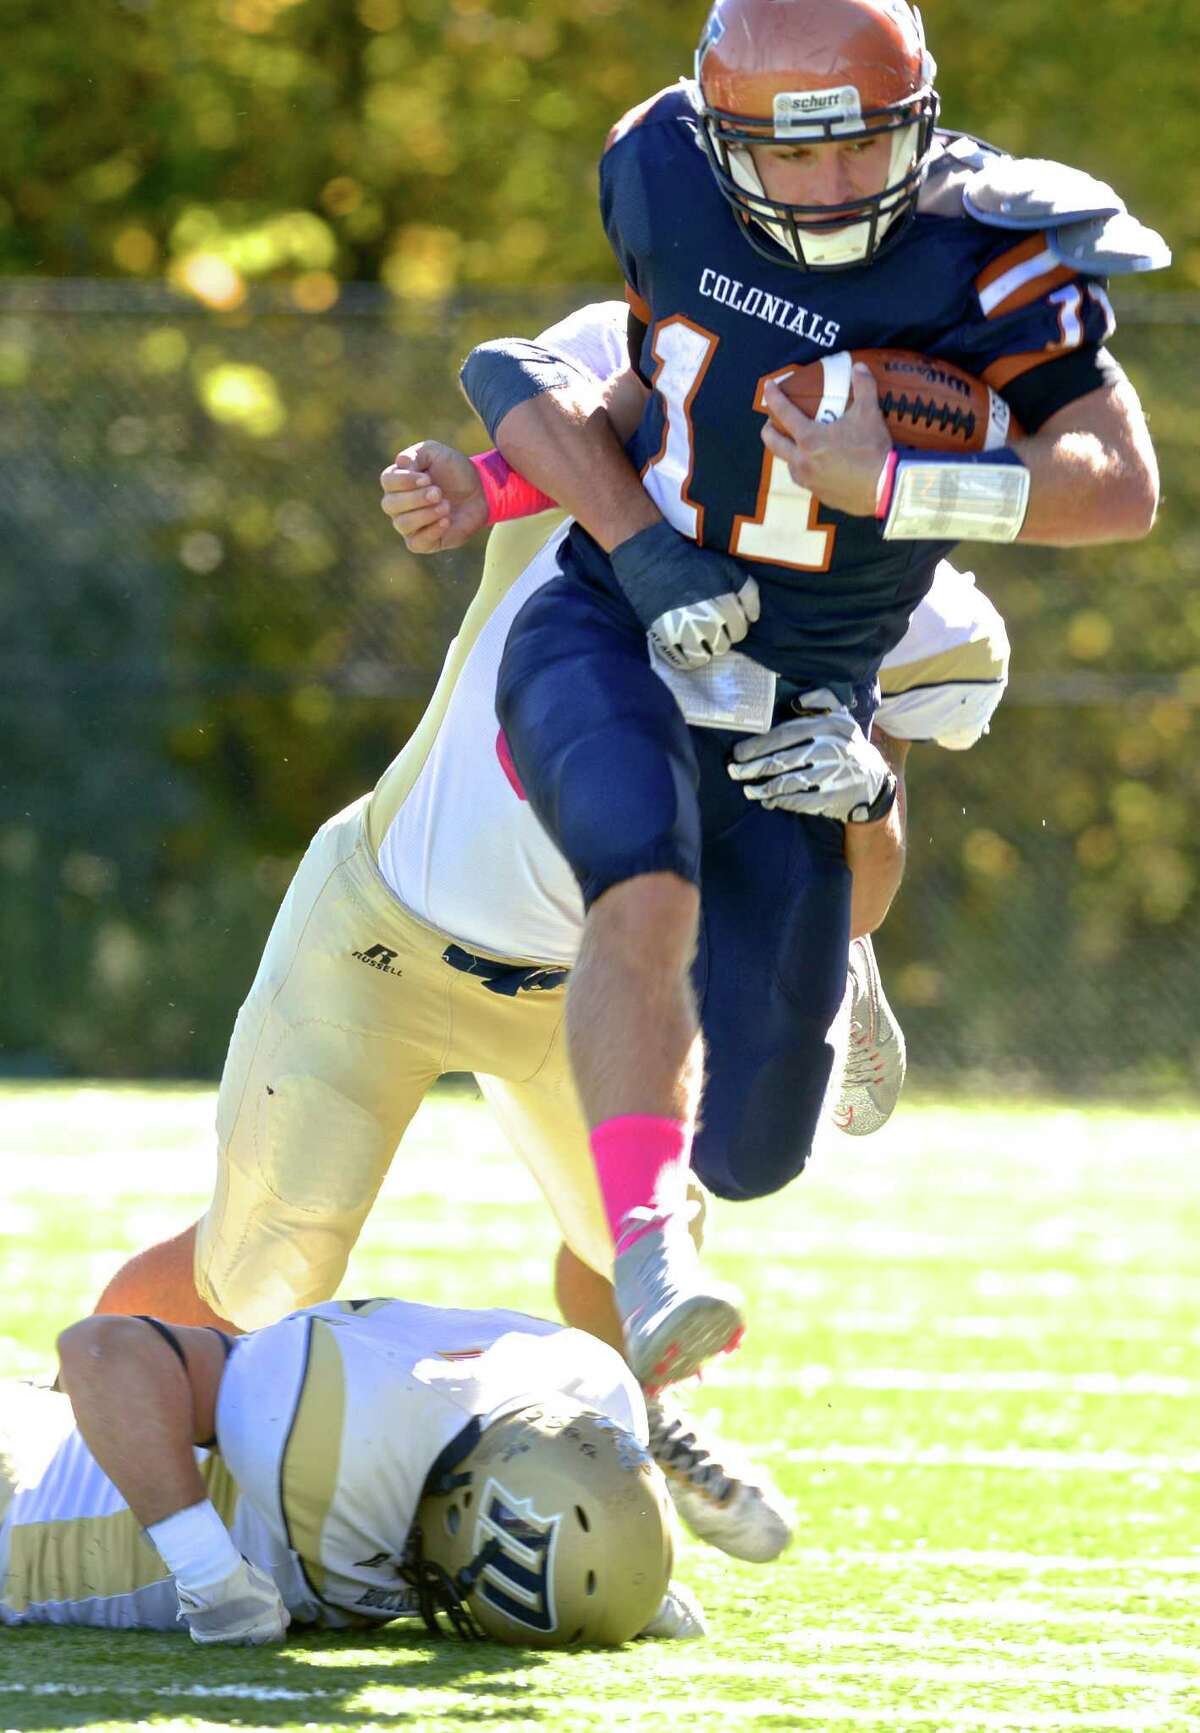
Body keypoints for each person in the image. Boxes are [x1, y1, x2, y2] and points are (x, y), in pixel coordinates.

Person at [90, 298, 1007, 1572]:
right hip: (388, 931)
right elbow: (518, 431)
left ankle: (655, 1414)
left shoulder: (916, 599)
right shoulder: (644, 398)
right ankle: (83, 1422)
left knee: (639, 1239)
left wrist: (863, 795)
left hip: (593, 985)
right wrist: (463, 487)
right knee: (258, 1267)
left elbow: (869, 878)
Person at [452, 0, 1165, 1392]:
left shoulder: (991, 247)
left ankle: (829, 956)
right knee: (639, 887)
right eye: (792, 155)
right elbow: (640, 392)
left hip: (812, 680)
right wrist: (536, 490)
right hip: (614, 622)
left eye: (866, 149)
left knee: (759, 1152)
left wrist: (896, 484)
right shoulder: (654, 163)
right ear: (719, 137)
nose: (834, 187)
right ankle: (651, 1247)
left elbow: (1120, 489)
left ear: (922, 117)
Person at [0, 1299, 697, 1645]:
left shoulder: (597, 1397)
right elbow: (101, 1351)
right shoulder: (329, 1431)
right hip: (23, 1508)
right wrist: (210, 1573)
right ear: (461, 1515)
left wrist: (629, 1583)